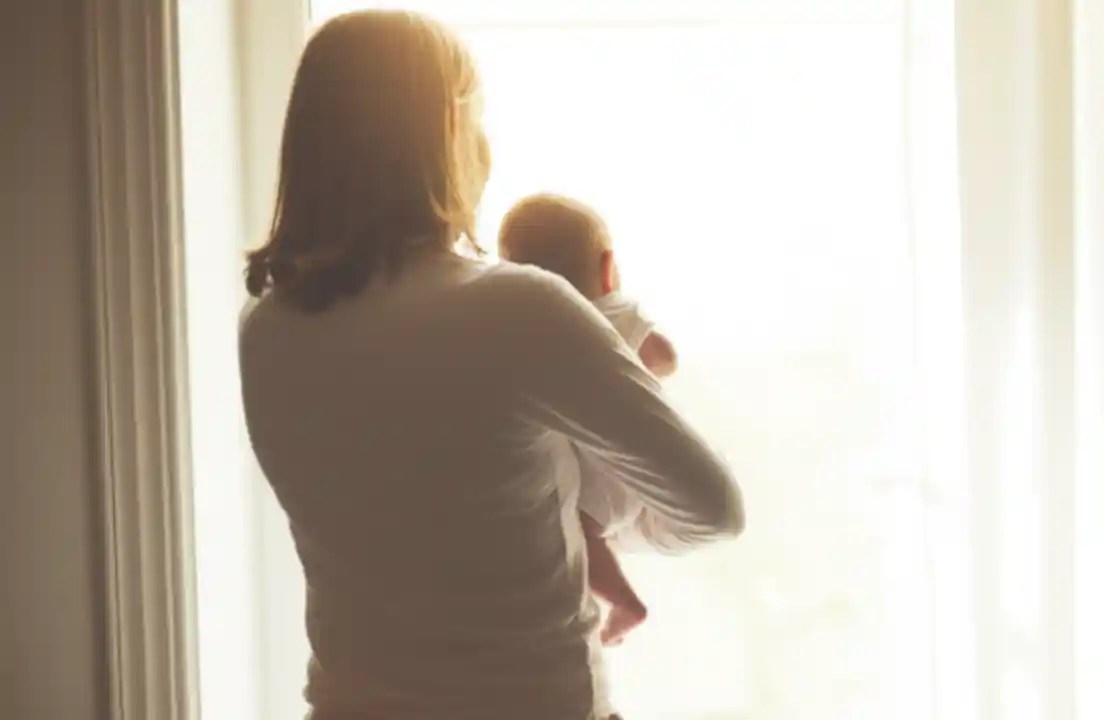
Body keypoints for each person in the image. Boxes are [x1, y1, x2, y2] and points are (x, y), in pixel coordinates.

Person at [237, 10, 744, 720]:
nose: (487, 143)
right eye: (474, 115)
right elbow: (712, 508)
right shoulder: (517, 309)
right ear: (440, 134)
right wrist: (583, 518)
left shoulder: (265, 330)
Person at [497, 193, 678, 646]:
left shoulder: (535, 331)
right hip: (643, 466)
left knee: (576, 532)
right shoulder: (618, 315)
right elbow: (666, 358)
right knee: (595, 533)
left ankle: (625, 602)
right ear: (607, 267)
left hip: (599, 475)